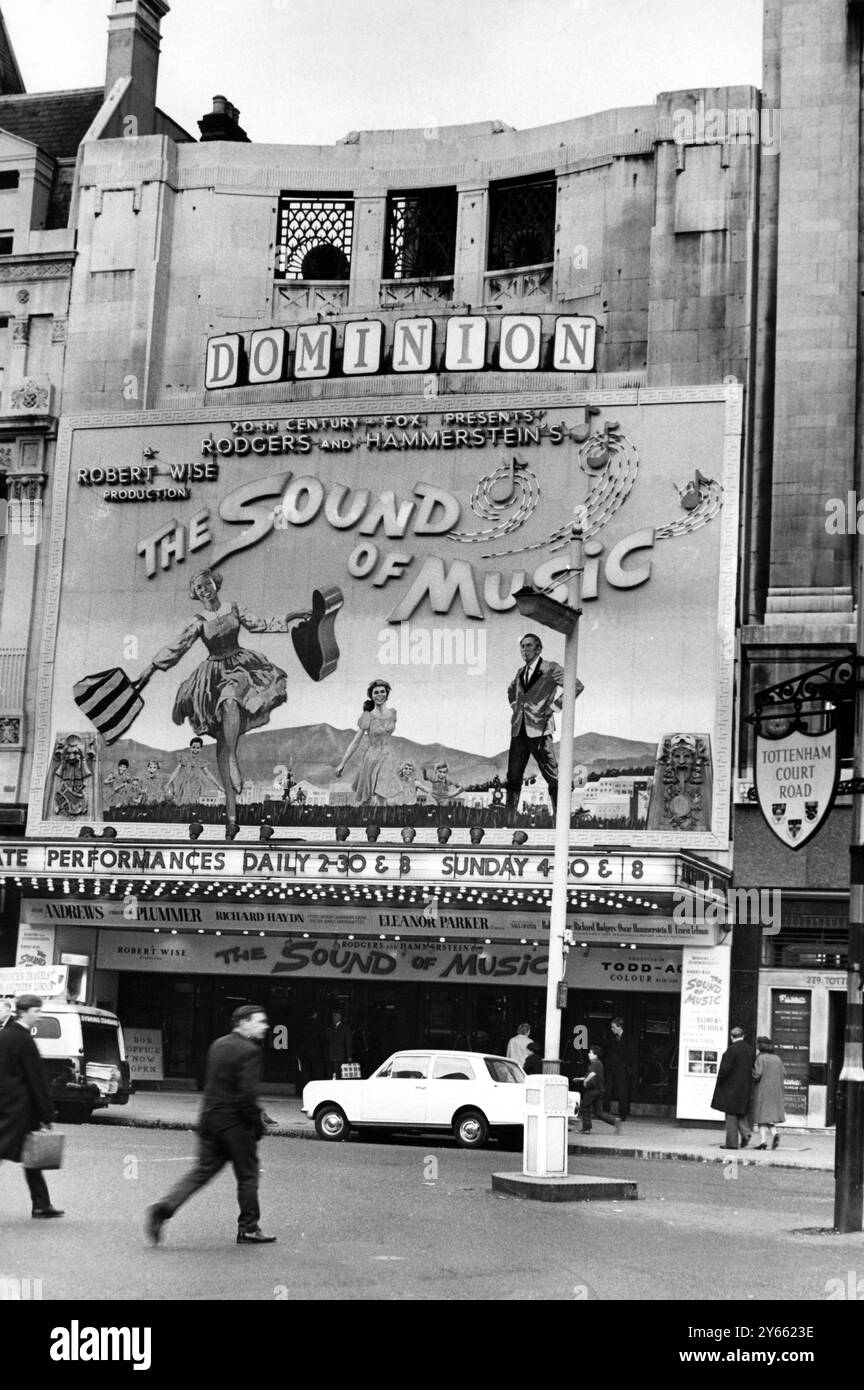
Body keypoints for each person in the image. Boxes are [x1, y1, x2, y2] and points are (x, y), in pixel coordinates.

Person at [138, 568, 310, 838]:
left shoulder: (234, 608)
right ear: (195, 593)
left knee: (230, 702)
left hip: (241, 668)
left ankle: (232, 757)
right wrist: (148, 671)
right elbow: (176, 648)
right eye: (198, 587)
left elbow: (261, 624)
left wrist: (294, 615)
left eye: (207, 583)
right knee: (221, 741)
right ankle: (231, 817)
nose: (204, 589)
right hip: (211, 677)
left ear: (215, 585)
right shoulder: (197, 621)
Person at [145, 1004, 276, 1245]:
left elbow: (210, 1084)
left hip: (210, 1120)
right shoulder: (250, 1051)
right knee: (248, 1175)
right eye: (260, 1021)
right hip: (235, 1124)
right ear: (244, 1023)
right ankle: (248, 1228)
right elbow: (246, 1095)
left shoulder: (218, 1045)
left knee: (201, 1173)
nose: (265, 1026)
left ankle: (163, 1208)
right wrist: (256, 1125)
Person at [0, 994, 64, 1218]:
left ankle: (41, 1204)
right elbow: (36, 1080)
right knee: (24, 1153)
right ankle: (41, 1205)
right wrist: (47, 1114)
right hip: (20, 1110)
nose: (39, 1015)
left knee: (31, 1155)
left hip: (6, 1106)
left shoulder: (4, 1036)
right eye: (36, 1011)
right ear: (24, 1012)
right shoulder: (24, 1040)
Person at [506, 633, 581, 819]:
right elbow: (511, 691)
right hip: (518, 731)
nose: (524, 650)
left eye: (529, 646)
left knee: (552, 775)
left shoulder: (550, 668)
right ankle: (508, 820)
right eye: (522, 646)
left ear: (539, 648)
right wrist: (516, 707)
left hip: (540, 730)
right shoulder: (520, 672)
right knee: (513, 777)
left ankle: (560, 817)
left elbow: (576, 685)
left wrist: (554, 706)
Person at [336, 680, 401, 805]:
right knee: (367, 796)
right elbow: (356, 741)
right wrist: (342, 763)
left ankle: (384, 819)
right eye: (376, 692)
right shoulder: (367, 716)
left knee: (383, 791)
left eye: (382, 691)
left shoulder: (393, 713)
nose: (379, 695)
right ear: (371, 695)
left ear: (387, 694)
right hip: (371, 757)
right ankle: (363, 818)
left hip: (388, 756)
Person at [711, 1025, 755, 1150]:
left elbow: (724, 1070)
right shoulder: (750, 1050)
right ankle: (746, 1134)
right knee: (739, 1112)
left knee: (730, 1114)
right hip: (745, 1086)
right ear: (743, 1036)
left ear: (731, 1037)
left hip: (731, 1087)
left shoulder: (731, 1050)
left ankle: (731, 1143)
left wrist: (720, 1082)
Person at [751, 1036, 786, 1150]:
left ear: (760, 1046)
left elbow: (757, 1074)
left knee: (761, 1116)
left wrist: (750, 1070)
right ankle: (775, 1134)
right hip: (776, 1091)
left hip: (763, 1090)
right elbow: (784, 1073)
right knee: (769, 1117)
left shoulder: (760, 1058)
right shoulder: (777, 1058)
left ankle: (763, 1141)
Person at [579, 1046, 621, 1134]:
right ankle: (615, 1121)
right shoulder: (599, 1063)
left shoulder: (595, 1063)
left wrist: (585, 1081)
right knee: (598, 1112)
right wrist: (580, 1079)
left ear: (595, 1055)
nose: (589, 1054)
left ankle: (586, 1128)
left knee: (584, 1106)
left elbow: (593, 1074)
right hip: (600, 1090)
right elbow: (592, 1075)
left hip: (593, 1090)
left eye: (590, 1053)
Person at [605, 1016, 637, 1122]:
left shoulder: (628, 1038)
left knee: (622, 1092)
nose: (612, 1029)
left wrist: (625, 1065)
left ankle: (622, 1115)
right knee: (608, 1090)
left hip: (622, 1070)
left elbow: (632, 1054)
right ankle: (605, 1112)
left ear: (619, 1027)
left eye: (614, 1027)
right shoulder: (612, 1038)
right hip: (611, 1068)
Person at [325, 1009, 353, 1078]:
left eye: (335, 1016)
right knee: (330, 1075)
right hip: (330, 1056)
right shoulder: (329, 1029)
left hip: (340, 1056)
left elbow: (348, 1043)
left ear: (340, 1017)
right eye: (333, 1016)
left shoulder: (345, 1028)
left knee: (340, 1075)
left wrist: (349, 1057)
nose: (334, 1018)